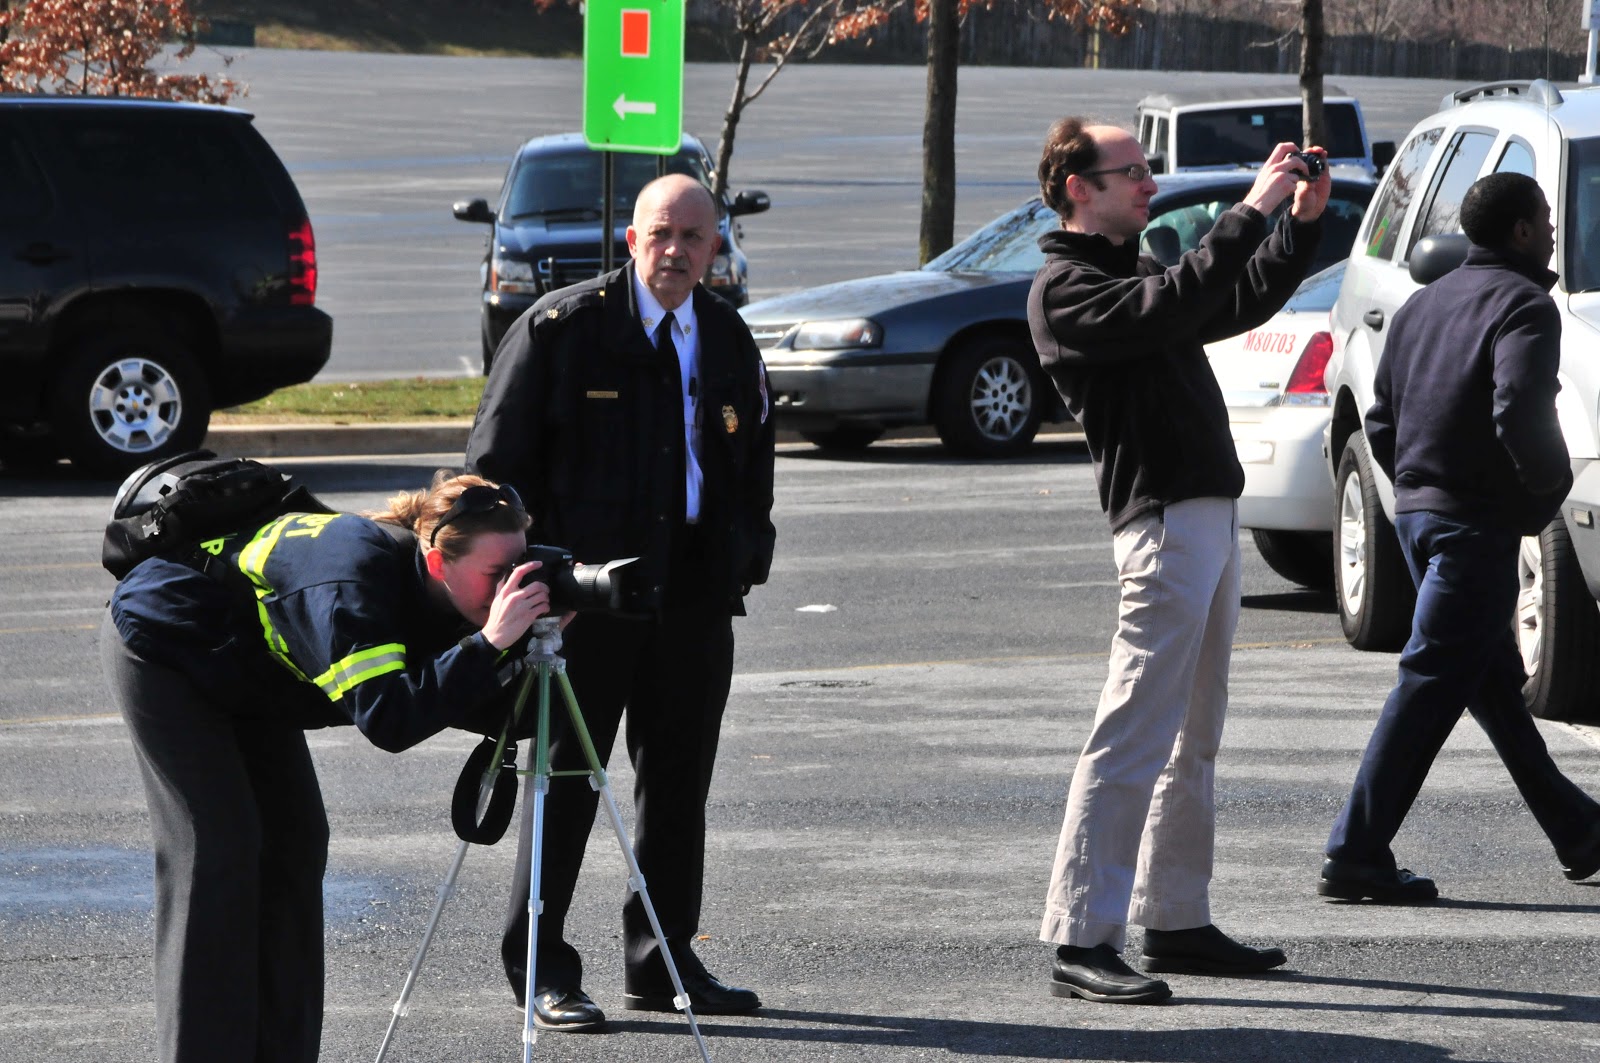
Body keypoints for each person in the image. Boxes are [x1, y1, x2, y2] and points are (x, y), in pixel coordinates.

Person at [1026, 118, 1330, 1004]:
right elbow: (1173, 304)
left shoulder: (1137, 268)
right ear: (1078, 187)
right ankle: (1081, 933)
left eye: (1146, 170)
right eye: (1131, 172)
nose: (1149, 185)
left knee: (1194, 735)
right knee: (1133, 730)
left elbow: (1230, 300)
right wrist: (1251, 208)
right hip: (1160, 523)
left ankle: (1175, 915)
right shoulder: (1065, 289)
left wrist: (1299, 223)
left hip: (1208, 514)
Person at [103, 472, 557, 1063]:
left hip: (247, 673)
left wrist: (529, 645)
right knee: (218, 851)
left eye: (521, 566)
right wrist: (491, 642)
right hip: (164, 647)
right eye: (498, 574)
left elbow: (482, 710)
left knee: (295, 844)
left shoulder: (440, 593)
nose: (511, 587)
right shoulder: (353, 580)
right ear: (438, 562)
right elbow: (390, 718)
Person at [465, 172, 776, 1032]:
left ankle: (664, 962)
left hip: (694, 597)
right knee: (566, 782)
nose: (675, 251)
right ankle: (542, 969)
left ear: (715, 247)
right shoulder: (563, 329)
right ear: (631, 241)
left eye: (693, 237)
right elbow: (493, 474)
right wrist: (531, 584)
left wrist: (747, 551)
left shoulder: (725, 333)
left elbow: (752, 458)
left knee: (678, 785)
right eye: (660, 234)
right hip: (585, 605)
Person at [1320, 172, 1600, 902]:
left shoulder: (1421, 305)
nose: (1551, 230)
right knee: (1428, 684)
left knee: (1490, 685)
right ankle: (1355, 852)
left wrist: (1416, 492)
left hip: (1419, 519)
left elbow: (1381, 420)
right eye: (1544, 219)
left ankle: (1580, 830)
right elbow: (1518, 406)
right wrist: (1545, 491)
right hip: (1471, 530)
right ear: (1520, 231)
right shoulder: (1525, 305)